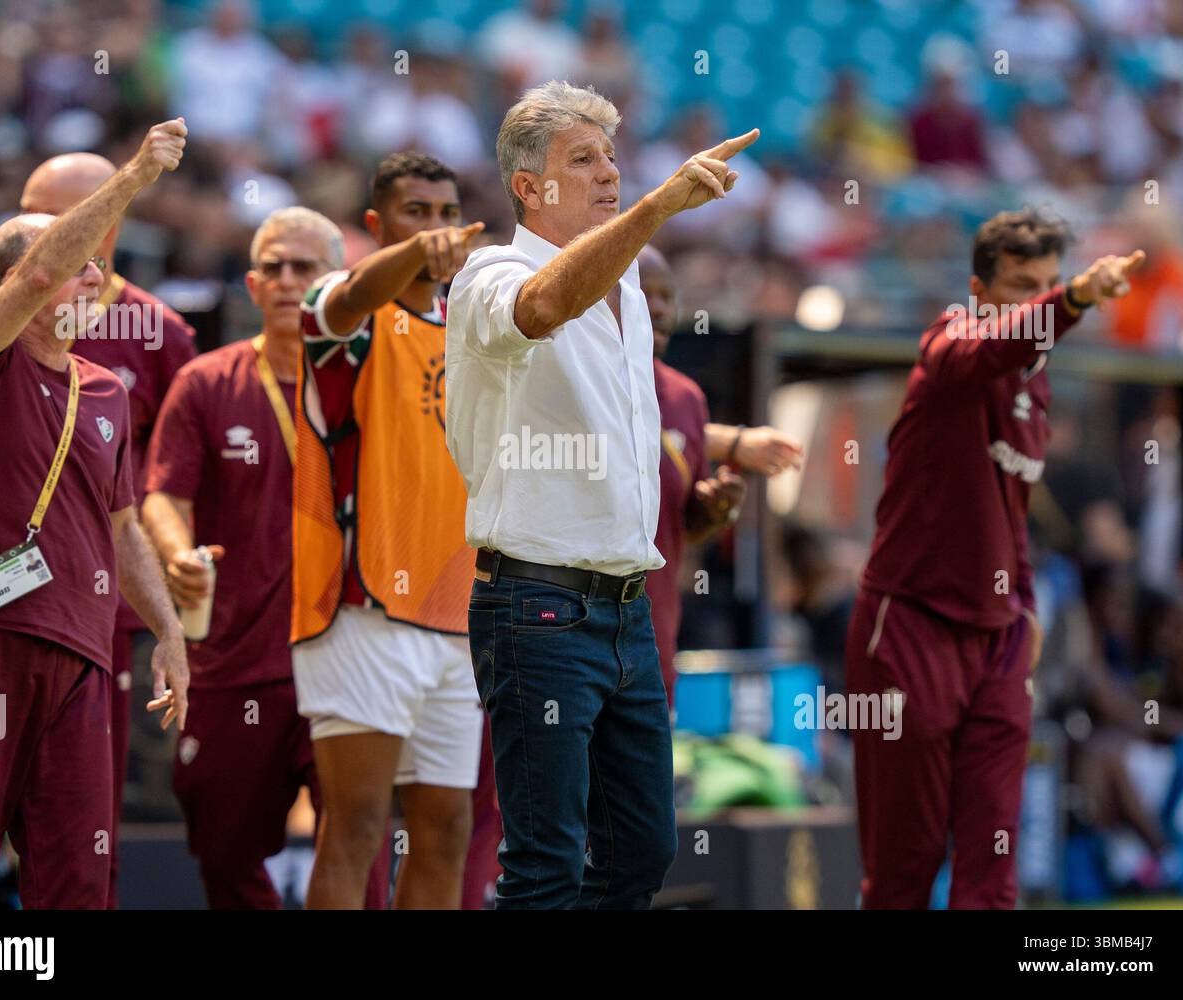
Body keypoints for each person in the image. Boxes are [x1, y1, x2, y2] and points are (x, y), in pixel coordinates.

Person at [445, 80, 758, 908]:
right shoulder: (490, 272)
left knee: (643, 852)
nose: (608, 171)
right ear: (527, 185)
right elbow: (544, 304)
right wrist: (659, 208)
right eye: (581, 159)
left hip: (625, 611)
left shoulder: (627, 295)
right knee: (544, 864)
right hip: (536, 604)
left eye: (612, 155)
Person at [0, 119, 191, 909]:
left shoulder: (105, 388)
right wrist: (131, 178)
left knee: (79, 879)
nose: (95, 280)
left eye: (101, 267)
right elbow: (35, 279)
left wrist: (168, 634)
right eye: (80, 268)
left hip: (83, 652)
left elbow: (125, 527)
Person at [845, 207, 1145, 909]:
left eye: (1048, 281)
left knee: (994, 857)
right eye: (1020, 285)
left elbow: (1012, 516)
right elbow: (980, 353)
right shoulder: (953, 340)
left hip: (1001, 636)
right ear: (980, 293)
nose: (1036, 296)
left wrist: (1029, 607)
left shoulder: (1034, 388)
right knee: (906, 868)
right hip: (910, 625)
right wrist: (1070, 300)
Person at [142, 206, 366, 908]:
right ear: (251, 283)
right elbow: (161, 498)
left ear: (340, 282)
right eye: (274, 267)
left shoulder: (375, 382)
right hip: (238, 659)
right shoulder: (207, 382)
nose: (289, 280)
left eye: (308, 267)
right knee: (222, 848)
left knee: (357, 845)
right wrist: (178, 556)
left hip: (356, 658)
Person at [291, 152, 487, 909]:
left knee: (445, 832)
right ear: (375, 225)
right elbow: (354, 292)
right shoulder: (342, 312)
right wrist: (410, 258)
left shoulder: (470, 330)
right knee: (357, 827)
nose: (435, 231)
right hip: (363, 609)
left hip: (454, 614)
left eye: (446, 215)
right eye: (416, 213)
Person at [639, 244, 803, 703]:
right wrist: (734, 442)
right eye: (640, 293)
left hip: (654, 639)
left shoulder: (685, 397)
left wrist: (714, 511)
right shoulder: (576, 380)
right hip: (574, 640)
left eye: (667, 296)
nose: (658, 308)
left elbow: (681, 528)